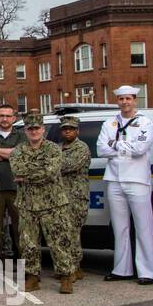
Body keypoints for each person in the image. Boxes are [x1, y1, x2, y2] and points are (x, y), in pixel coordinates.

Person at [96, 85, 153, 284]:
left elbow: (141, 149)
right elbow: (100, 149)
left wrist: (114, 145)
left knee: (143, 226)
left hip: (137, 180)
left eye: (128, 99)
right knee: (120, 227)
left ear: (135, 100)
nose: (125, 102)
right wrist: (124, 147)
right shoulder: (110, 122)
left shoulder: (144, 122)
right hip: (114, 179)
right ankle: (122, 269)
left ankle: (147, 272)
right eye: (121, 99)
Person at [11, 111, 77, 294]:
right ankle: (32, 277)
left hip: (53, 204)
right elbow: (17, 169)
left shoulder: (53, 149)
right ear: (25, 130)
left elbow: (50, 172)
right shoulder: (18, 151)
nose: (34, 131)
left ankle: (65, 276)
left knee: (59, 241)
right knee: (28, 243)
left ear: (43, 130)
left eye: (37, 128)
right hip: (27, 204)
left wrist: (26, 176)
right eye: (30, 128)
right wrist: (32, 172)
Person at [57, 116, 91, 281]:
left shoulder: (81, 148)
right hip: (59, 197)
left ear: (77, 131)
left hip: (76, 197)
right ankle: (65, 267)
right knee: (61, 233)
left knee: (72, 232)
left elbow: (67, 166)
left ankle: (74, 268)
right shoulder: (57, 147)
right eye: (65, 129)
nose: (67, 131)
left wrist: (48, 164)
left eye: (71, 128)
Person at [0, 104, 23, 260]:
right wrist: (9, 153)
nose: (4, 119)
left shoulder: (22, 136)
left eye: (8, 116)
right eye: (1, 115)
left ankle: (25, 268)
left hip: (16, 188)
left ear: (14, 118)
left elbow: (19, 154)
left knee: (19, 228)